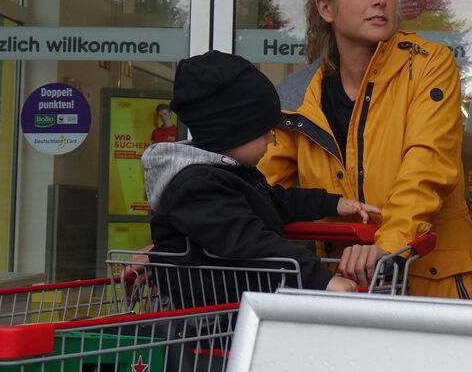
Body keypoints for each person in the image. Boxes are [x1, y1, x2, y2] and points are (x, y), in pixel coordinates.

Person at [260, 0, 472, 301]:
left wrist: (386, 245)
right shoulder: (298, 97)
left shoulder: (428, 65)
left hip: (434, 286)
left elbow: (427, 166)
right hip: (345, 289)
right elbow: (260, 190)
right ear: (325, 7)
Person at [142, 50, 380, 307]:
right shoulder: (197, 187)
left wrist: (334, 203)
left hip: (234, 308)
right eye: (264, 131)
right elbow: (251, 243)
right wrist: (319, 279)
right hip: (206, 317)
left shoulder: (231, 174)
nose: (271, 139)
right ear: (231, 132)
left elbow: (276, 201)